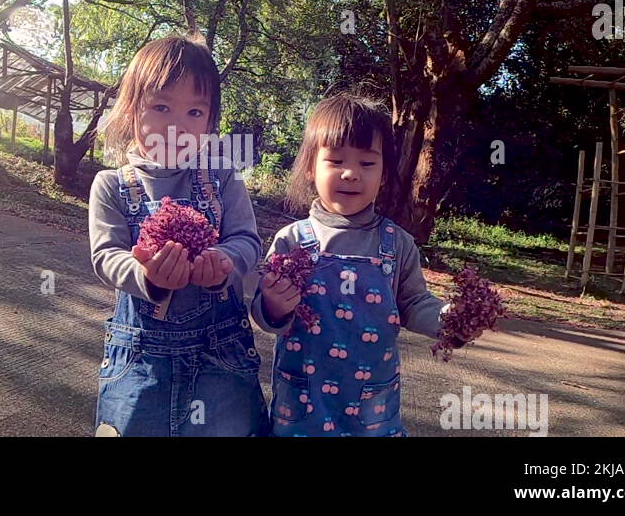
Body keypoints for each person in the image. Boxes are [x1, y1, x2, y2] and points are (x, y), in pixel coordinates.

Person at [250, 94, 480, 437]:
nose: (351, 174)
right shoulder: (291, 241)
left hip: (372, 409)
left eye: (367, 164)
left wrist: (452, 320)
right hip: (302, 403)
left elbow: (415, 304)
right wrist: (273, 305)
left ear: (384, 173)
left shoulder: (397, 243)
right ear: (311, 168)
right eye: (336, 160)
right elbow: (264, 313)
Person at [88, 34, 269, 437]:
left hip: (221, 356)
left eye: (194, 112)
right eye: (161, 107)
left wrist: (224, 262)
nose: (176, 126)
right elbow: (106, 256)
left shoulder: (223, 177)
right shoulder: (111, 185)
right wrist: (147, 277)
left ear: (209, 121)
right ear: (132, 110)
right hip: (139, 361)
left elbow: (247, 241)